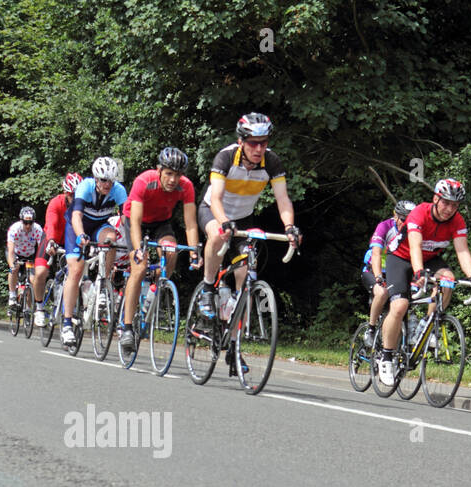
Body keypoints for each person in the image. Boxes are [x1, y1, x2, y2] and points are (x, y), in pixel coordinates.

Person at [377, 178, 471, 387]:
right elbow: (415, 246)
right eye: (445, 202)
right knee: (399, 306)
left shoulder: (457, 221)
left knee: (449, 279)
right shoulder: (419, 213)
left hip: (430, 259)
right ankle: (387, 356)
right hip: (401, 257)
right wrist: (418, 273)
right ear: (436, 198)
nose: (449, 209)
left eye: (454, 205)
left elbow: (462, 251)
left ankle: (428, 322)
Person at [198, 112, 301, 317]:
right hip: (213, 211)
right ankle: (208, 288)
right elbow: (216, 198)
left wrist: (290, 227)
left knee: (246, 276)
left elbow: (283, 199)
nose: (259, 149)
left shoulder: (272, 162)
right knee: (217, 235)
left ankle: (233, 341)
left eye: (263, 143)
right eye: (253, 143)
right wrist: (224, 222)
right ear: (241, 141)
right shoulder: (226, 157)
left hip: (243, 218)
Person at [117, 147, 202, 349]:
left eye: (178, 175)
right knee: (139, 266)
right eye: (169, 174)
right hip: (135, 220)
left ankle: (155, 290)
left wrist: (193, 252)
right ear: (159, 170)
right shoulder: (144, 181)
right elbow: (135, 222)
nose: (173, 180)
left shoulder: (186, 187)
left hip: (160, 223)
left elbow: (190, 224)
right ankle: (127, 327)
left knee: (171, 251)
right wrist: (138, 249)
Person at [61, 156, 128, 346]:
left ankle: (103, 285)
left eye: (111, 180)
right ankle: (66, 324)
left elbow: (126, 219)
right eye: (104, 180)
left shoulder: (118, 190)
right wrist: (81, 235)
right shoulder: (85, 187)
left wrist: (133, 242)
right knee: (76, 270)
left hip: (100, 226)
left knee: (112, 240)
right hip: (78, 226)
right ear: (96, 178)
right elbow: (76, 216)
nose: (108, 184)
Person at [361, 200, 416, 345]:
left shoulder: (413, 231)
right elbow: (376, 253)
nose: (406, 224)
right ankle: (371, 328)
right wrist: (378, 276)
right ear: (395, 216)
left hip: (396, 273)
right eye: (403, 220)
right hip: (374, 270)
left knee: (410, 299)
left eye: (410, 220)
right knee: (382, 293)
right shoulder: (384, 227)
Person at [36, 172, 82, 325]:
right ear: (65, 193)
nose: (74, 198)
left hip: (71, 241)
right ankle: (39, 308)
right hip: (52, 238)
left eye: (77, 194)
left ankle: (68, 309)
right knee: (41, 272)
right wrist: (51, 241)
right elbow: (52, 223)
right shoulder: (56, 203)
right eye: (71, 195)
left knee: (75, 272)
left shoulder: (83, 205)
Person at [6, 206, 46, 318]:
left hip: (31, 255)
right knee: (14, 268)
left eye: (30, 223)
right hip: (16, 253)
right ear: (21, 221)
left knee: (32, 280)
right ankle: (12, 295)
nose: (28, 226)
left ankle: (28, 309)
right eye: (25, 223)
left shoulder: (37, 229)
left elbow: (41, 248)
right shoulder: (15, 229)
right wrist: (12, 264)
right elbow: (10, 251)